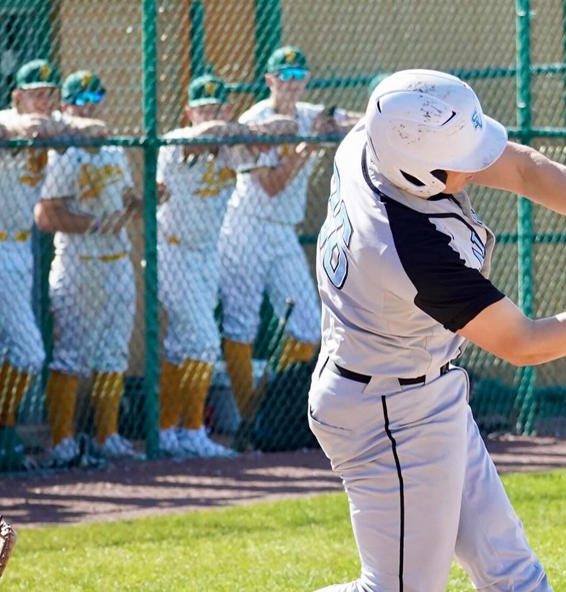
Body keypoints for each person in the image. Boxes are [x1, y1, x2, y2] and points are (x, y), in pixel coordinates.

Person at [154, 70, 566, 592]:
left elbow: (519, 165)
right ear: (420, 171)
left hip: (411, 380)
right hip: (385, 407)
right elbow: (525, 343)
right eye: (461, 161)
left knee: (497, 542)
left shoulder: (373, 141)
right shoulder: (406, 248)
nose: (478, 167)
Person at [218, 45, 362, 436]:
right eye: (285, 76)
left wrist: (363, 120)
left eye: (299, 76)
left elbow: (350, 120)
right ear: (270, 80)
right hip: (247, 226)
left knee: (307, 327)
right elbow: (271, 185)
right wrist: (308, 146)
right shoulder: (256, 121)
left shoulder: (307, 114)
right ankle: (248, 415)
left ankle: (271, 402)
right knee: (241, 323)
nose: (292, 84)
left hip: (281, 229)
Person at [0, 59, 107, 471]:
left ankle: (5, 430)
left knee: (24, 353)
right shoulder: (10, 117)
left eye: (49, 92)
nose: (43, 100)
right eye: (35, 93)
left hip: (19, 248)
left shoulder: (56, 121)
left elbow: (97, 130)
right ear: (17, 95)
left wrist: (58, 126)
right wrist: (32, 126)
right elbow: (21, 129)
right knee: (29, 351)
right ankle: (5, 429)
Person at [156, 74, 269, 458]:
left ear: (226, 110)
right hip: (174, 252)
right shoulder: (174, 143)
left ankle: (167, 430)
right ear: (188, 111)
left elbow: (263, 143)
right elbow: (195, 142)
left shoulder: (230, 148)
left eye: (215, 108)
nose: (208, 115)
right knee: (204, 342)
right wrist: (222, 128)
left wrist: (234, 131)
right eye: (201, 108)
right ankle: (192, 431)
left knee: (179, 348)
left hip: (206, 253)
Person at [35, 69, 142, 467]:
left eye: (94, 97)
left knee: (113, 351)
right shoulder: (65, 152)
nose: (89, 104)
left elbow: (127, 197)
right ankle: (61, 441)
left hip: (116, 261)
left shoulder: (112, 150)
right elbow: (46, 215)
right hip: (80, 262)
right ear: (65, 107)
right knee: (71, 353)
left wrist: (145, 200)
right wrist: (95, 224)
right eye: (79, 99)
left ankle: (107, 436)